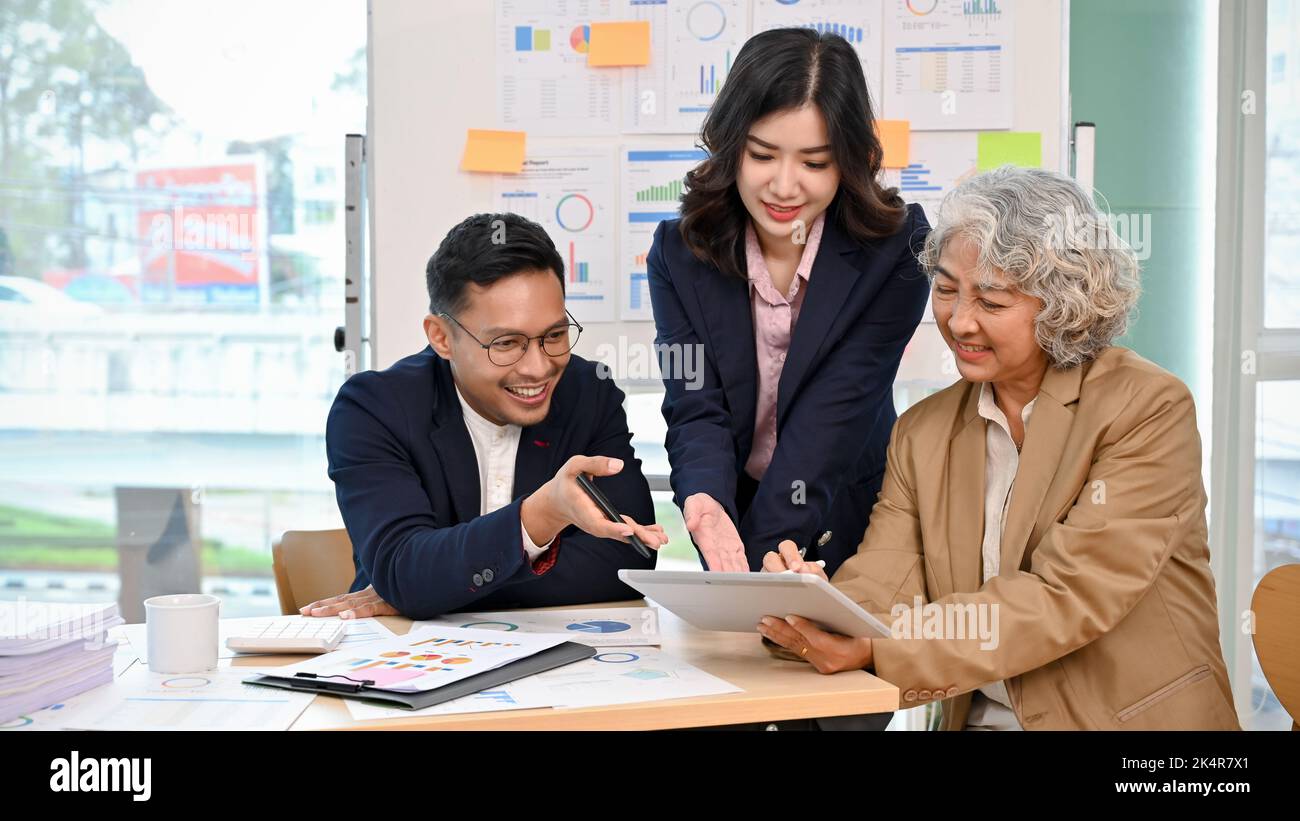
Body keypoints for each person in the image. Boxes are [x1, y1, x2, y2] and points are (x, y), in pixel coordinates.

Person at [758, 166, 1240, 730]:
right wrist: (822, 612)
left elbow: (1067, 596)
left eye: (990, 301)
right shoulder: (922, 433)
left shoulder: (1147, 408)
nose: (959, 321)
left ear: (1064, 301)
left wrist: (876, 650)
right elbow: (885, 580)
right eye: (945, 291)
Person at [648, 27, 929, 576]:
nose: (783, 186)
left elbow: (834, 419)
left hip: (847, 515)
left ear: (850, 161)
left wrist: (752, 574)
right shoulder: (680, 253)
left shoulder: (896, 253)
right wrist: (704, 501)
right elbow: (695, 401)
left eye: (815, 162)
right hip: (734, 514)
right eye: (762, 155)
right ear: (731, 146)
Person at [302, 213, 665, 622]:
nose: (538, 367)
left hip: (554, 661)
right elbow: (403, 568)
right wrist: (540, 516)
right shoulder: (374, 407)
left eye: (554, 335)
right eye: (506, 343)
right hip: (404, 658)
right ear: (441, 336)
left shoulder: (588, 392)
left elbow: (626, 562)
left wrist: (430, 591)